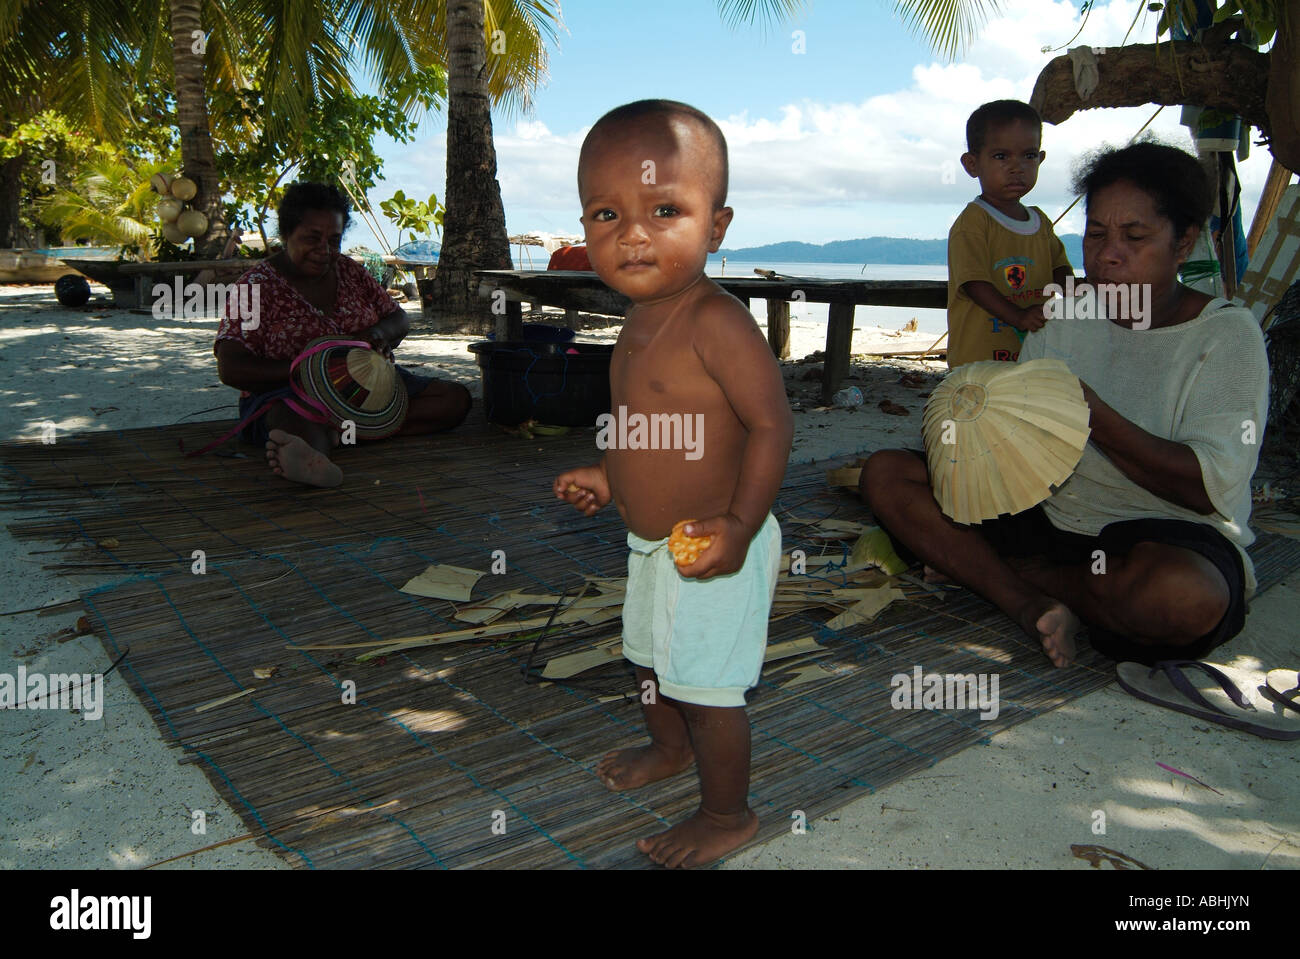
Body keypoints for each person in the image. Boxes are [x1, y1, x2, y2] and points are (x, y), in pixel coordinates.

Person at [863, 141, 1268, 669]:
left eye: (1135, 236)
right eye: (1096, 234)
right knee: (888, 473)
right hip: (1050, 512)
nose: (1108, 253)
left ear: (1184, 242)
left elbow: (1202, 488)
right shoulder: (1069, 314)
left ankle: (1002, 574)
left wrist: (1088, 411)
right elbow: (1019, 447)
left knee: (1183, 596)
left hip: (1159, 535)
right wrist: (973, 426)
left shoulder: (1226, 336)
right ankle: (1028, 603)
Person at [553, 100, 793, 868]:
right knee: (646, 657)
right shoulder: (637, 321)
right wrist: (611, 475)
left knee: (708, 686)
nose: (632, 232)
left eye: (664, 209)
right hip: (652, 542)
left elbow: (770, 427)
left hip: (718, 538)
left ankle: (728, 813)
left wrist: (742, 524)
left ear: (716, 228)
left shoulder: (716, 322)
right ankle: (668, 748)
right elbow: (640, 423)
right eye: (606, 212)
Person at [214, 182, 471, 487]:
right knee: (292, 416)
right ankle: (323, 448)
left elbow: (398, 319)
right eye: (312, 238)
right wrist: (311, 370)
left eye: (333, 240)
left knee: (453, 400)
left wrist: (372, 336)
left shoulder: (350, 272)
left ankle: (338, 435)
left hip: (364, 385)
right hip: (288, 392)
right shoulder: (253, 287)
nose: (324, 250)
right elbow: (231, 368)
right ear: (286, 234)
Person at [946, 100, 1074, 366]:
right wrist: (1018, 316)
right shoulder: (973, 222)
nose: (1017, 167)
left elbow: (1060, 270)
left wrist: (1082, 292)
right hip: (980, 362)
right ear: (972, 164)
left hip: (1033, 355)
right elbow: (974, 284)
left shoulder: (1040, 221)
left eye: (1029, 155)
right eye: (1001, 156)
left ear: (1041, 159)